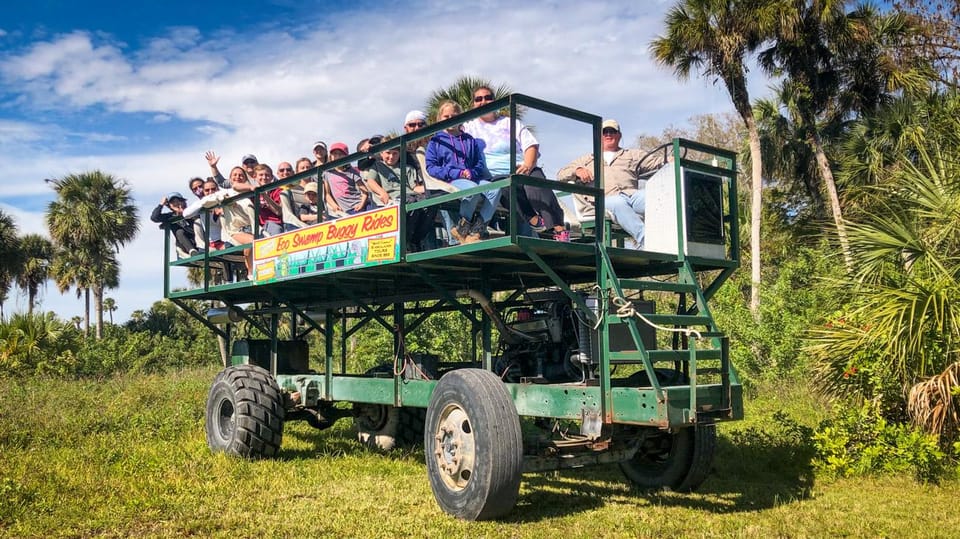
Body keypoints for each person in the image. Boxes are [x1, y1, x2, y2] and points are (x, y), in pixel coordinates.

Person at [463, 85, 568, 241]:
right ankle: (534, 220)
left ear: (495, 101)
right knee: (506, 187)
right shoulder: (468, 127)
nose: (483, 102)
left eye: (488, 98)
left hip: (521, 167)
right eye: (478, 99)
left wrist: (528, 165)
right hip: (495, 175)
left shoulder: (510, 122)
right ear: (473, 104)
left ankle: (559, 229)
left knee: (536, 184)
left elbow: (531, 145)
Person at [557, 119, 657, 248]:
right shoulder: (587, 159)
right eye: (604, 132)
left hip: (632, 196)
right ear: (599, 136)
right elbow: (561, 174)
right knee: (618, 202)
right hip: (603, 201)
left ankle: (674, 238)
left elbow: (657, 162)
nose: (608, 134)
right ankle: (648, 242)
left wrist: (671, 160)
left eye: (612, 131)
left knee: (655, 198)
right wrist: (577, 170)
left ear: (619, 135)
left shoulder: (633, 155)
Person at [425, 100, 499, 244]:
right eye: (446, 117)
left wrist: (472, 172)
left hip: (471, 178)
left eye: (454, 116)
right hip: (451, 180)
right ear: (439, 119)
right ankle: (462, 230)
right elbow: (431, 167)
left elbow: (479, 163)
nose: (450, 119)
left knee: (495, 189)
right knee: (473, 190)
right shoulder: (435, 141)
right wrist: (456, 173)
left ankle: (476, 231)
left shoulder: (469, 140)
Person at [363, 135, 436, 251]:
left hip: (411, 195)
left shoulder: (407, 168)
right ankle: (405, 240)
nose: (391, 156)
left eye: (395, 153)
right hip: (395, 198)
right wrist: (382, 193)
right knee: (410, 202)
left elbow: (414, 187)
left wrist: (431, 188)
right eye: (388, 153)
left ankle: (415, 240)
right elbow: (371, 181)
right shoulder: (377, 166)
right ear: (381, 153)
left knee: (430, 203)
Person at [323, 142, 372, 215]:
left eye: (340, 154)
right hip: (346, 210)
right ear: (330, 156)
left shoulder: (352, 171)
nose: (337, 156)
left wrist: (362, 204)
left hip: (359, 205)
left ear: (346, 156)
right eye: (335, 154)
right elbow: (327, 194)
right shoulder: (327, 173)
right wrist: (334, 206)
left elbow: (365, 191)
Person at [151, 192, 200, 256]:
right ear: (170, 206)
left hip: (197, 241)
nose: (176, 204)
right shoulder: (170, 216)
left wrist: (184, 214)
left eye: (178, 201)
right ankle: (191, 251)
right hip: (185, 247)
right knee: (179, 232)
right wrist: (161, 204)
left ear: (183, 202)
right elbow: (154, 217)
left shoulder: (191, 211)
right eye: (173, 202)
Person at [253, 163, 284, 236]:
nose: (264, 177)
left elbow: (278, 211)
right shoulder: (253, 192)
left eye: (267, 175)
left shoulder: (277, 191)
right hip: (259, 227)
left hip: (275, 224)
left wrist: (265, 195)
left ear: (271, 177)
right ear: (255, 177)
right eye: (261, 175)